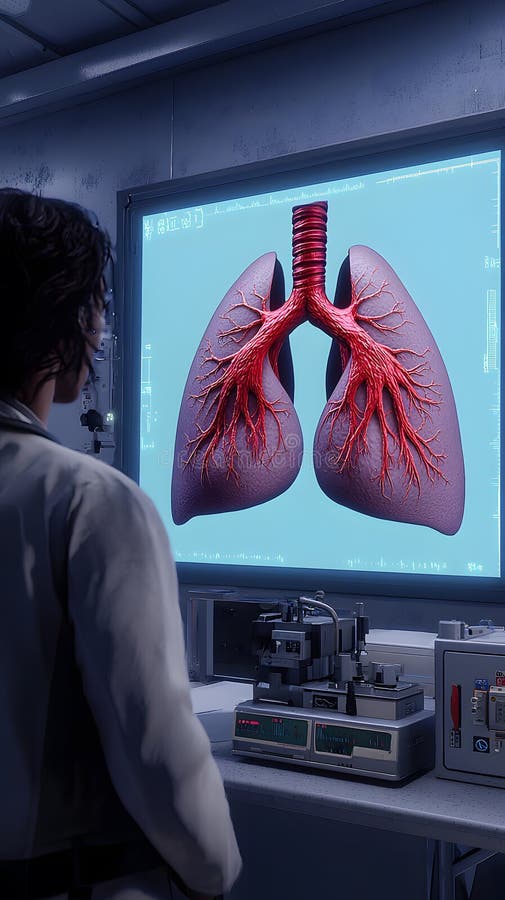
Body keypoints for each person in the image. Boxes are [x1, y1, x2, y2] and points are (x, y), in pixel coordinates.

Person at [0, 188, 242, 900]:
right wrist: (215, 872)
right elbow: (153, 747)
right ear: (57, 326)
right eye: (95, 309)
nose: (101, 332)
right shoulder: (89, 500)